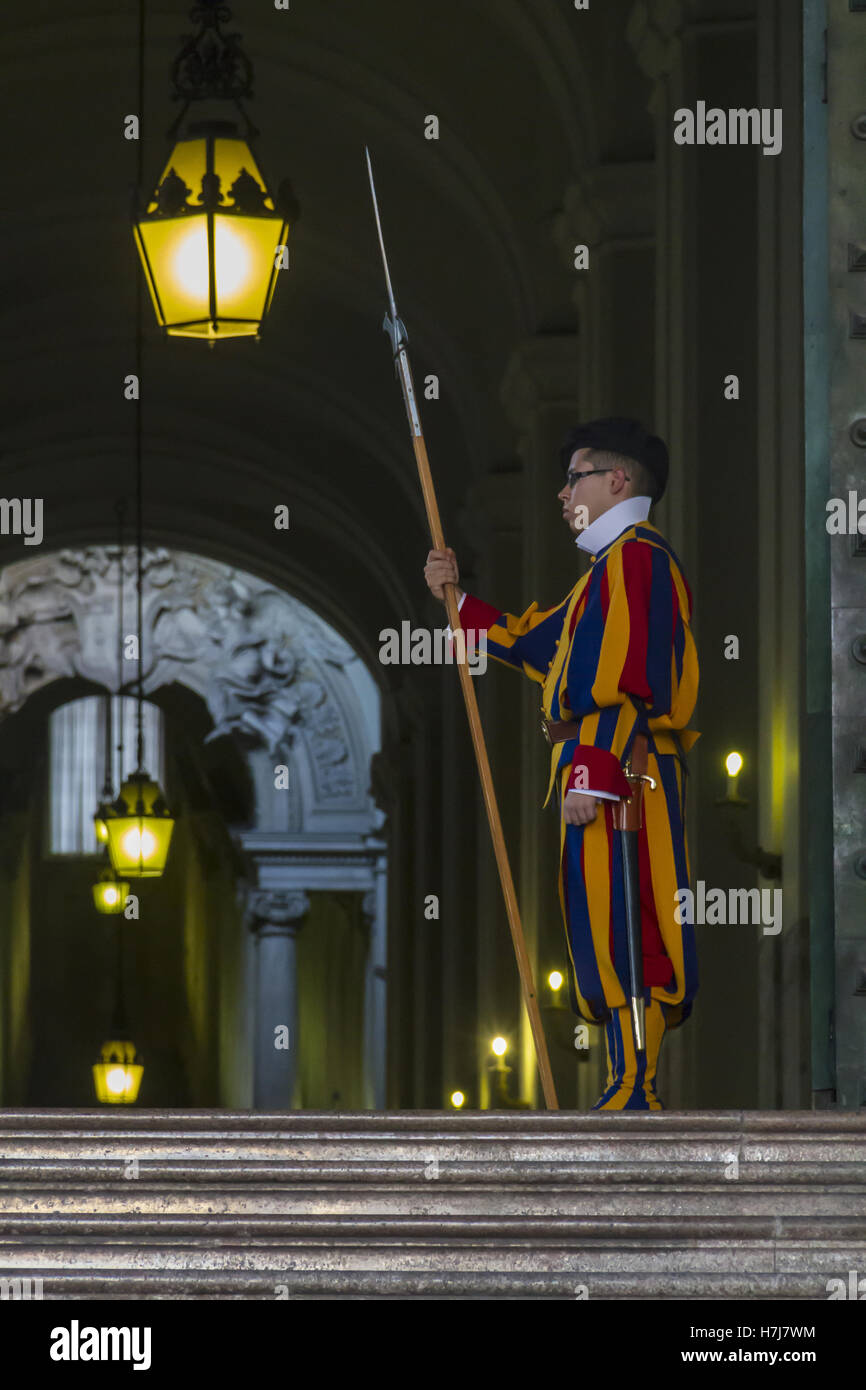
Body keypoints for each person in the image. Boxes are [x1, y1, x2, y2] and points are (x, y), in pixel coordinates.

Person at [424, 417, 700, 1110]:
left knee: (629, 921)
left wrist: (593, 770)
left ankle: (637, 1085)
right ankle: (622, 1079)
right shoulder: (601, 575)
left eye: (572, 478)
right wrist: (454, 600)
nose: (560, 494)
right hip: (606, 768)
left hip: (624, 772)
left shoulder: (638, 558)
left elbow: (635, 678)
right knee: (599, 924)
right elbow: (531, 645)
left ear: (618, 480)